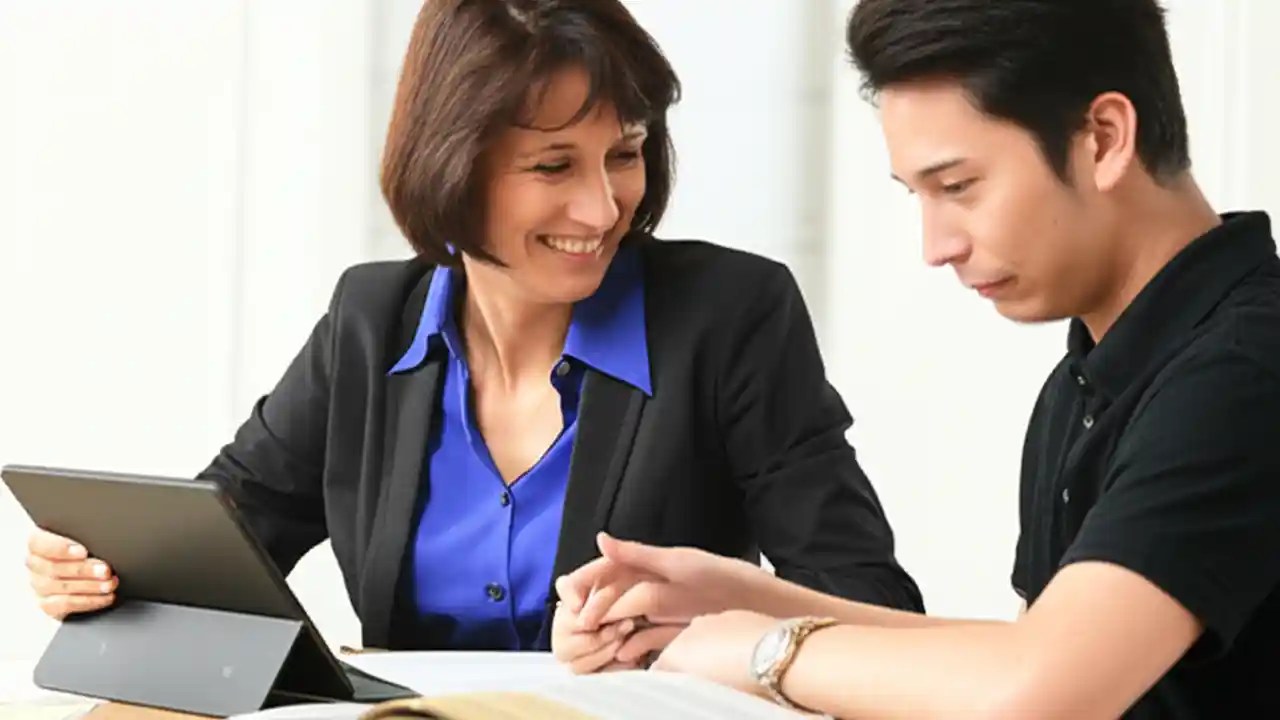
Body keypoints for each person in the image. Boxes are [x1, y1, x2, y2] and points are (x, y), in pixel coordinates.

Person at [22, 0, 921, 658]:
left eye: (626, 153)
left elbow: (869, 606)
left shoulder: (728, 314)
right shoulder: (370, 325)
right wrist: (102, 574)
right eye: (551, 165)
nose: (603, 205)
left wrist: (707, 622)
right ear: (450, 166)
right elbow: (214, 549)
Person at [552, 0, 1280, 716]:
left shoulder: (1247, 367)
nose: (938, 246)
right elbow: (1038, 656)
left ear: (1105, 136)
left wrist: (765, 648)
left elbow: (1044, 694)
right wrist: (740, 600)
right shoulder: (1090, 381)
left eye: (958, 187)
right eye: (918, 196)